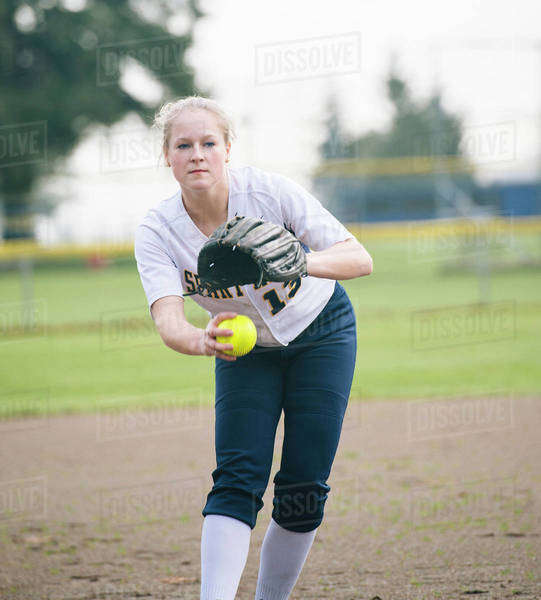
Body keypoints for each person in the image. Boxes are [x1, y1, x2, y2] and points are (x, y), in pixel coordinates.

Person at [134, 96, 373, 600]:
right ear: (167, 156)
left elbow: (359, 258)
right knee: (238, 476)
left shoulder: (269, 192)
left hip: (321, 331)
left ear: (226, 150)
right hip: (240, 349)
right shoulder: (158, 230)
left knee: (305, 483)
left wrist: (300, 261)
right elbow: (167, 318)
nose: (197, 154)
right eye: (184, 145)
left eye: (208, 143)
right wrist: (201, 340)